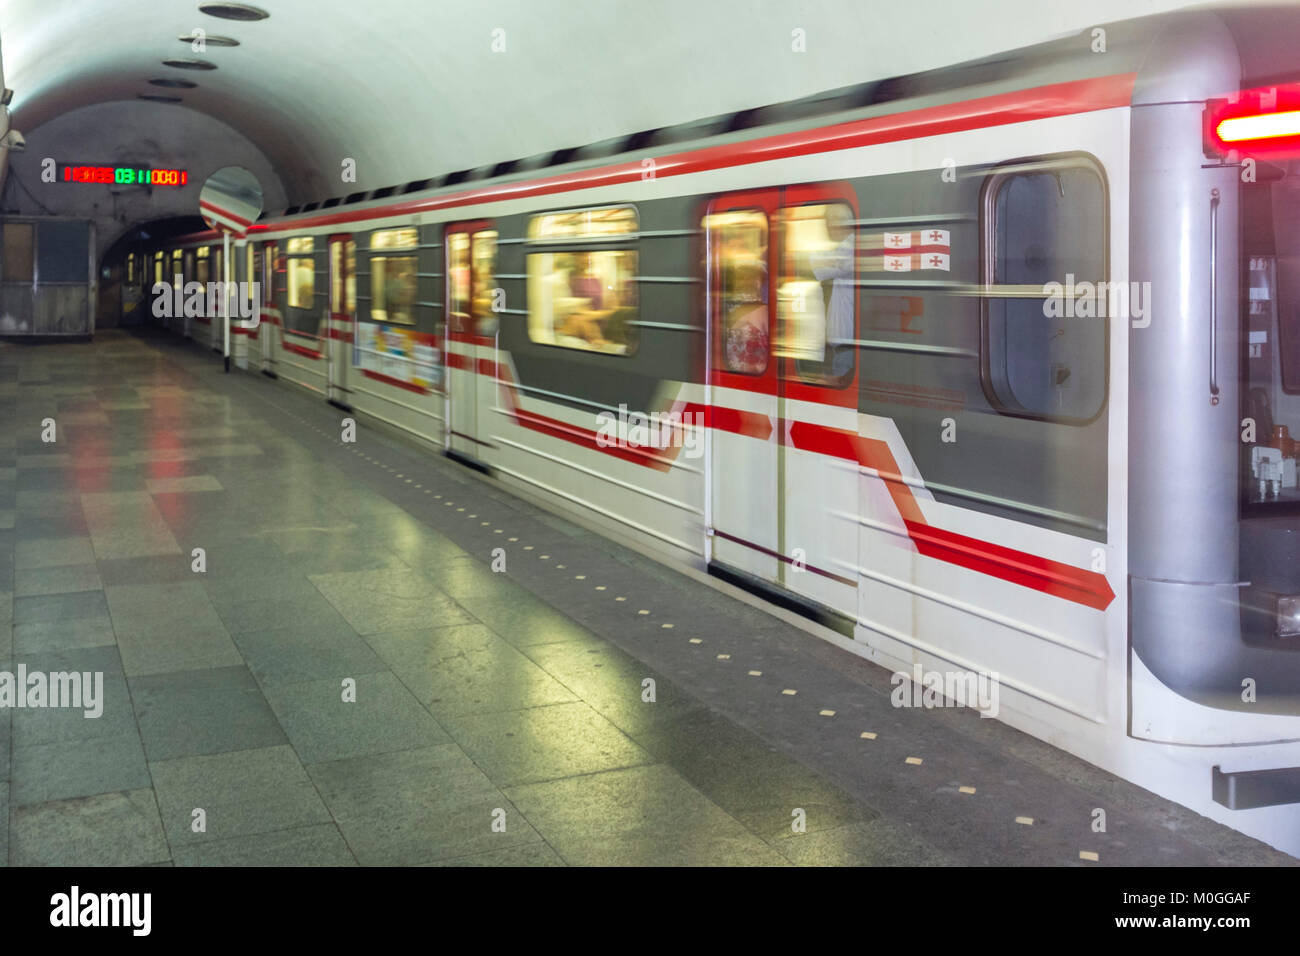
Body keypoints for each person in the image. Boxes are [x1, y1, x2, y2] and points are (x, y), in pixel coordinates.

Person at [808, 206, 855, 378]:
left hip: (847, 352)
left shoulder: (850, 248)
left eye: (829, 220)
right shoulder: (847, 247)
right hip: (841, 350)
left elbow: (815, 266)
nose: (827, 226)